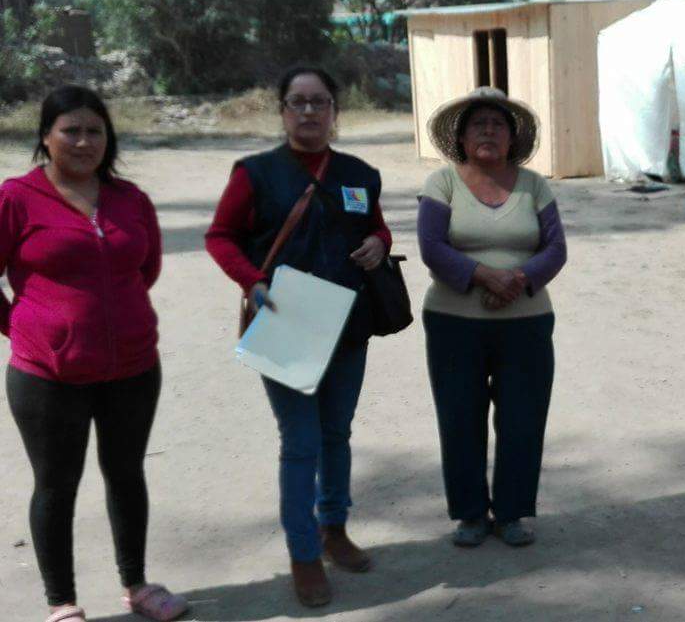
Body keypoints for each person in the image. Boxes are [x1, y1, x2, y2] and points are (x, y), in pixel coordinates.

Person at [205, 66, 391, 607]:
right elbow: (220, 237)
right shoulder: (255, 174)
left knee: (337, 433)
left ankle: (334, 529)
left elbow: (376, 226)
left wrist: (379, 243)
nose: (309, 112)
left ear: (335, 111)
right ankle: (304, 554)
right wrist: (253, 281)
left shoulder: (359, 173)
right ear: (283, 111)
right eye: (297, 102)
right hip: (287, 319)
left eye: (320, 102)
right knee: (301, 441)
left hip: (349, 323)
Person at [2, 86, 187, 622]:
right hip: (47, 375)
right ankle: (61, 603)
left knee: (126, 474)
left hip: (132, 366)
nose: (84, 142)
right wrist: (24, 326)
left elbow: (144, 268)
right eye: (71, 130)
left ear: (109, 139)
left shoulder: (131, 199)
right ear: (45, 136)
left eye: (95, 131)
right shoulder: (16, 198)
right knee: (56, 485)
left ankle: (137, 585)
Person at [417, 86, 567, 549]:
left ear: (512, 137)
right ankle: (469, 514)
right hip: (452, 322)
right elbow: (432, 247)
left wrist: (516, 280)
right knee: (460, 417)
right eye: (477, 124)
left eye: (497, 124)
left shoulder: (534, 184)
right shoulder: (441, 183)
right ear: (461, 138)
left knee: (523, 417)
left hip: (526, 322)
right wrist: (484, 276)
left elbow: (556, 249)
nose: (487, 130)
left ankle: (511, 512)